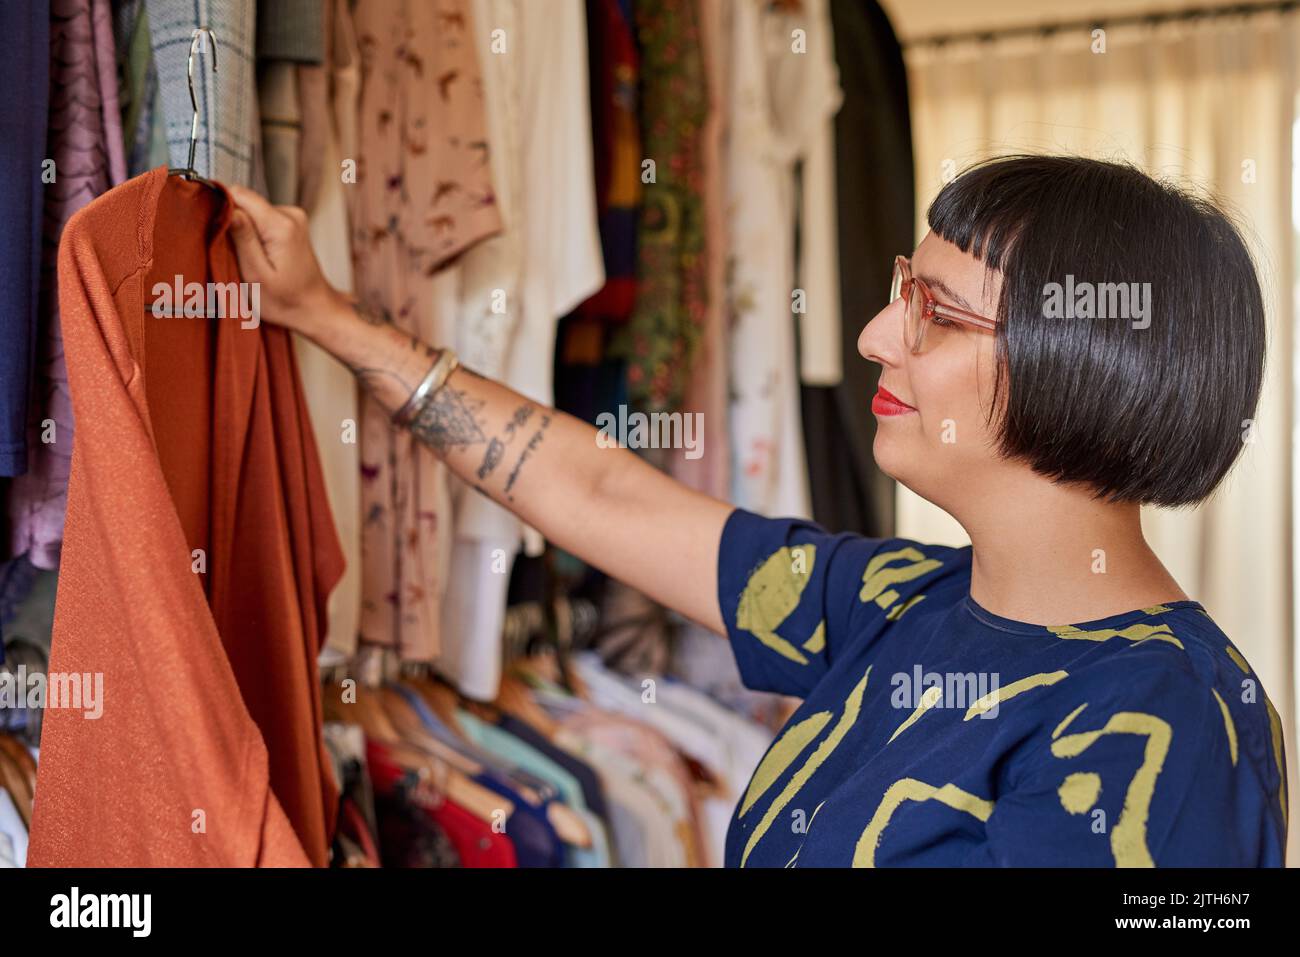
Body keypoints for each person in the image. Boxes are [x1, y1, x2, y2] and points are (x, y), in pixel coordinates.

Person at [226, 154, 1289, 867]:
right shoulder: (896, 602)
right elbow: (593, 489)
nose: (875, 335)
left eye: (932, 312)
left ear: (1082, 361)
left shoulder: (1171, 719)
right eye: (896, 289)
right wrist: (327, 318)